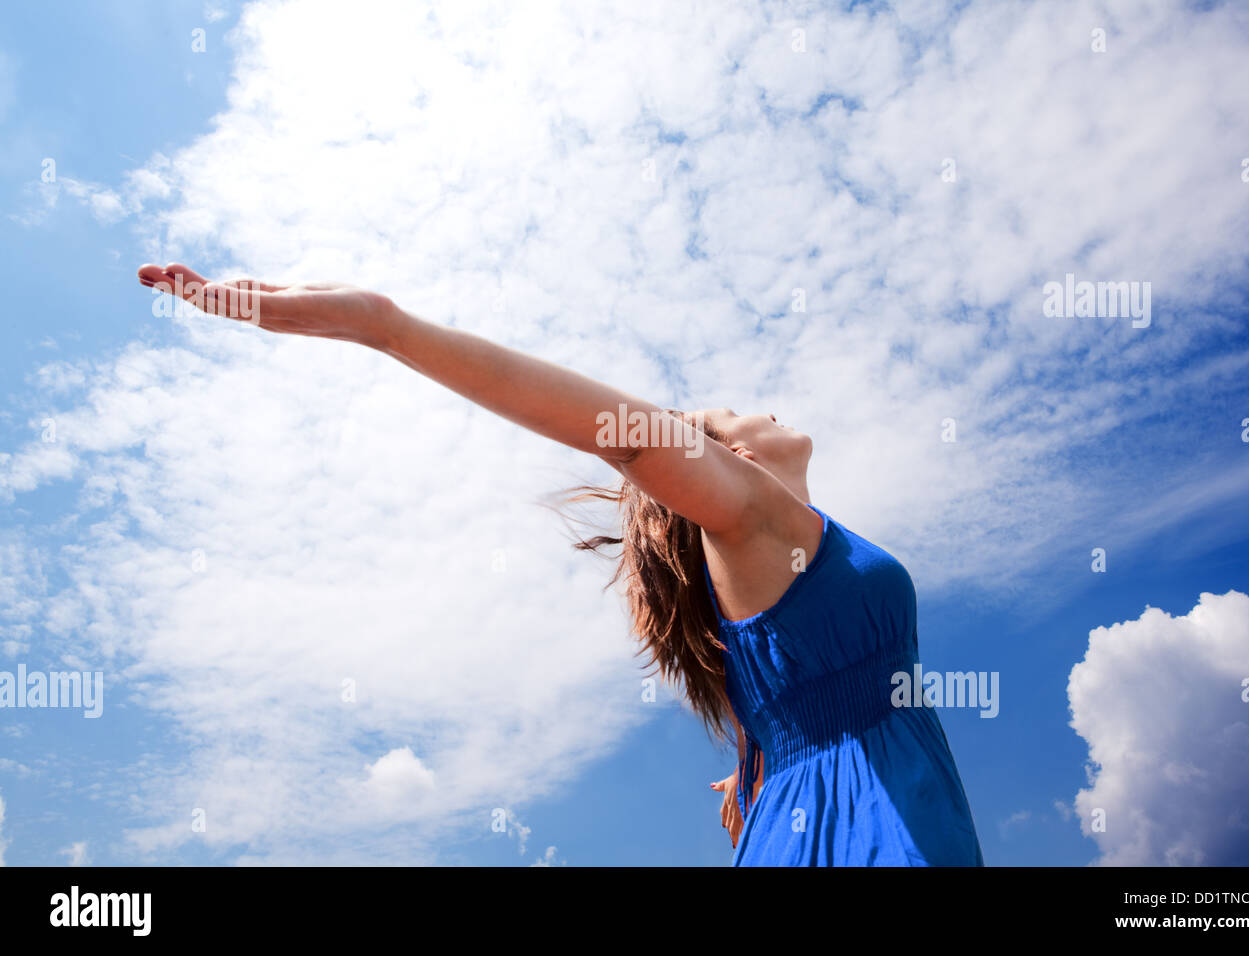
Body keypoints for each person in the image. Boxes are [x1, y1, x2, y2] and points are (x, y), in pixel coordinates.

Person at [137, 263, 984, 866]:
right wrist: (384, 326)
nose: (753, 410)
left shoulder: (782, 569)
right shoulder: (756, 520)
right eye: (723, 420)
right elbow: (611, 429)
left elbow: (805, 705)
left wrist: (763, 766)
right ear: (723, 467)